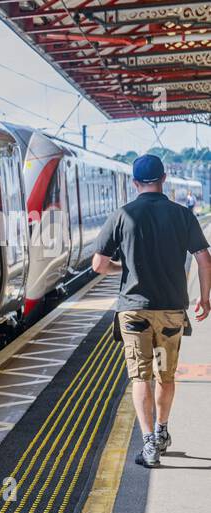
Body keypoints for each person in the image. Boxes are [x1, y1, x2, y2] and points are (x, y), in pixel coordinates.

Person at [91, 154, 211, 468]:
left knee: (140, 378)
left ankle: (148, 446)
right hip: (172, 309)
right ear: (164, 179)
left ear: (134, 182)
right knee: (166, 376)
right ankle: (162, 432)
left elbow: (99, 265)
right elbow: (204, 260)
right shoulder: (182, 214)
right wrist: (206, 298)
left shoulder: (123, 215)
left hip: (133, 312)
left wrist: (123, 266)